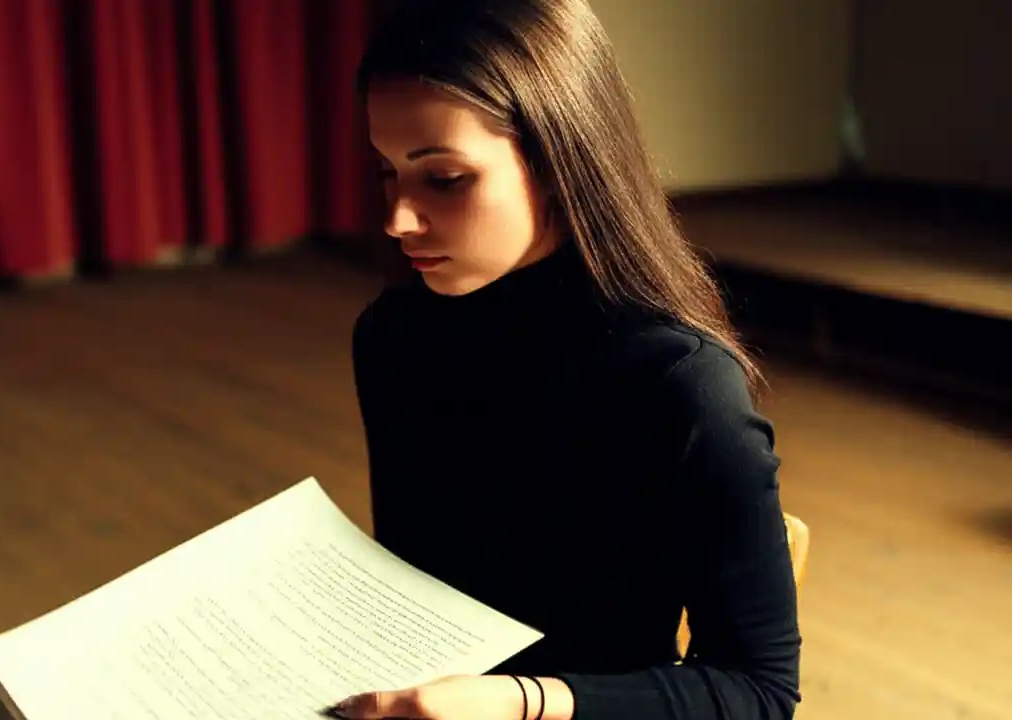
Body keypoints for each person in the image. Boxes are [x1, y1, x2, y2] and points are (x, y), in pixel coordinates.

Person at [327, 1, 802, 719]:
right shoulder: (395, 338)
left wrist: (520, 704)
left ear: (559, 162)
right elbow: (420, 585)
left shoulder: (679, 385)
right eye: (387, 173)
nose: (398, 218)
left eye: (444, 178)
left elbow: (759, 690)